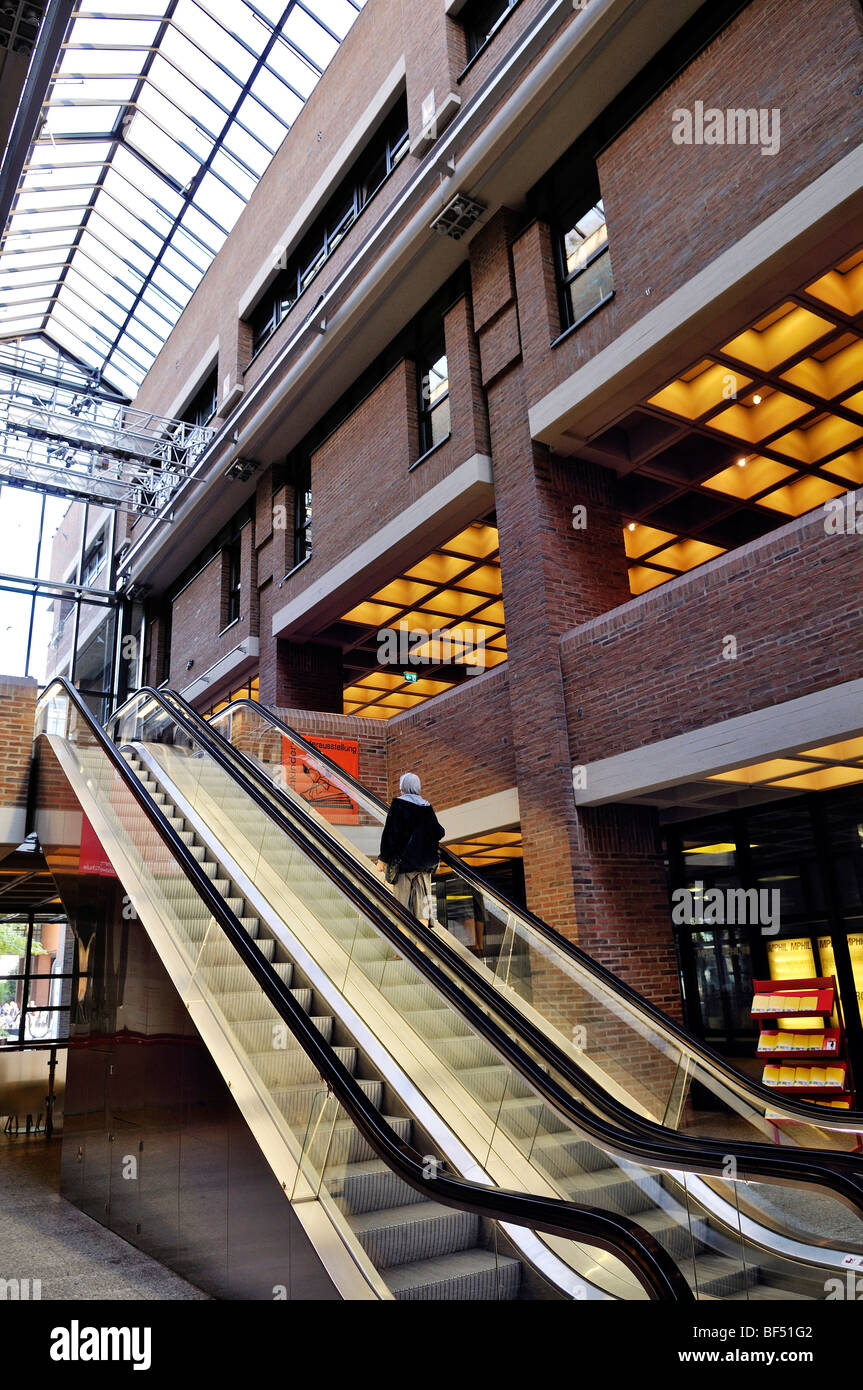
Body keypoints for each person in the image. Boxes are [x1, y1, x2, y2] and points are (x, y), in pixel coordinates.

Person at [377, 773, 445, 927]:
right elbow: (439, 832)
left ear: (402, 787)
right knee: (423, 909)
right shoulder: (426, 806)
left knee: (401, 908)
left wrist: (383, 859)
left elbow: (390, 834)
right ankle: (421, 948)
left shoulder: (398, 805)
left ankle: (404, 947)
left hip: (404, 865)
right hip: (424, 866)